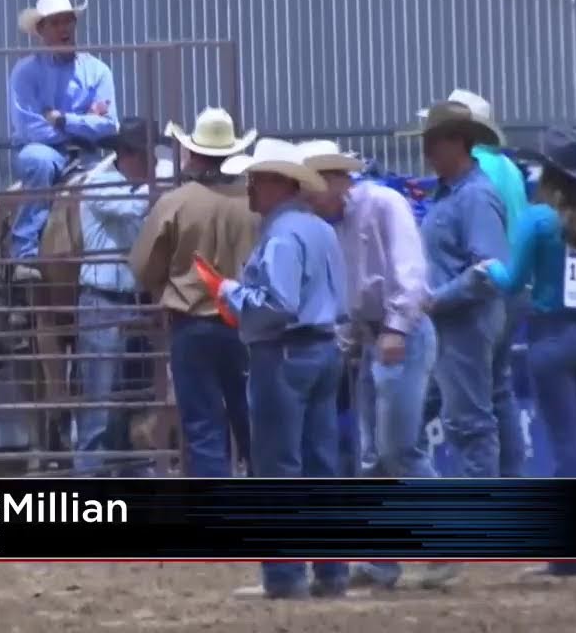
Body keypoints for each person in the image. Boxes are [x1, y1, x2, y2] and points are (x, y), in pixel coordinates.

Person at [299, 140, 457, 591]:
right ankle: (380, 560)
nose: (308, 197)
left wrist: (397, 327)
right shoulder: (329, 222)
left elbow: (410, 272)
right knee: (374, 456)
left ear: (335, 179)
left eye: (312, 186)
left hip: (399, 334)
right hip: (372, 337)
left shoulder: (385, 204)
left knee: (396, 450)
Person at [195, 138, 349, 600]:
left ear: (278, 184)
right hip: (324, 348)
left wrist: (229, 293)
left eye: (256, 180)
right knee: (322, 464)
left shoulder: (281, 235)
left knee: (278, 467)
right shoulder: (320, 228)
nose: (249, 189)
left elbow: (279, 304)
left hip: (283, 354)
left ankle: (284, 575)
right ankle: (331, 571)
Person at [478, 126, 576, 576]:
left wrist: (487, 270)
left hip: (551, 339)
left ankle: (568, 551)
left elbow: (513, 280)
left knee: (565, 446)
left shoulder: (538, 220)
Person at [129, 108, 260, 478]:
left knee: (203, 429)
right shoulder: (253, 202)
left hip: (191, 325)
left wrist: (164, 285)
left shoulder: (174, 203)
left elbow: (144, 266)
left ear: (195, 153)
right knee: (250, 420)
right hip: (245, 323)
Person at [412, 89, 527, 478]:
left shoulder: (474, 195)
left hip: (465, 321)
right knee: (477, 413)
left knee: (470, 425)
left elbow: (488, 269)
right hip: (459, 320)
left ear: (458, 142)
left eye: (434, 141)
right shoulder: (458, 191)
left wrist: (435, 299)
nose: (427, 150)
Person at [72, 117, 173, 475]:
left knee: (136, 392)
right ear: (130, 154)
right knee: (100, 398)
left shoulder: (133, 187)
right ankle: (89, 480)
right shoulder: (100, 185)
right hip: (105, 300)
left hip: (131, 300)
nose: (154, 162)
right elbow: (134, 208)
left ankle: (128, 473)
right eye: (148, 154)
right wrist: (163, 188)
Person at [8, 0, 119, 278]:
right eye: (55, 22)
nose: (63, 28)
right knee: (39, 162)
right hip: (45, 150)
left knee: (115, 182)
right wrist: (83, 122)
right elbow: (29, 127)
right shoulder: (24, 73)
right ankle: (24, 251)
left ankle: (118, 257)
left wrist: (61, 120)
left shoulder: (98, 71)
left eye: (68, 20)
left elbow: (109, 125)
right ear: (41, 30)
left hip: (88, 153)